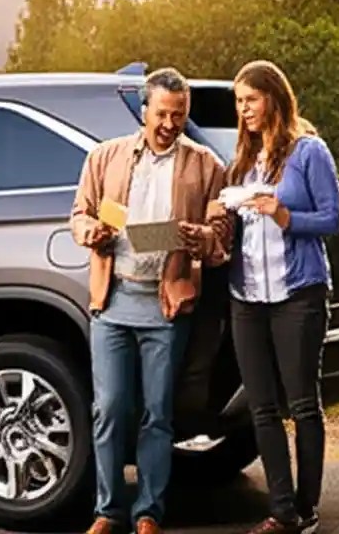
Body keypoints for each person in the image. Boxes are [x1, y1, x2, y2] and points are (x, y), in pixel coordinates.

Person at [70, 67, 232, 534]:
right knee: (110, 408)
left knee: (157, 414)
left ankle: (148, 513)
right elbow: (79, 214)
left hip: (166, 307)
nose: (169, 122)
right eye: (162, 113)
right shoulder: (106, 158)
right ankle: (107, 509)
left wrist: (195, 237)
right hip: (113, 299)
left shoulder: (206, 165)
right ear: (144, 111)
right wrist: (91, 232)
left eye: (179, 115)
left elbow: (222, 240)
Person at [212, 60, 339, 534]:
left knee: (302, 403)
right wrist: (220, 215)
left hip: (298, 294)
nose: (243, 110)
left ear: (274, 98)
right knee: (261, 407)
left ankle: (306, 510)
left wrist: (284, 214)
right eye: (238, 102)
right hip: (247, 296)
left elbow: (332, 219)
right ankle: (282, 510)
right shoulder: (243, 161)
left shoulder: (310, 152)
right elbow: (237, 230)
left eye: (250, 99)